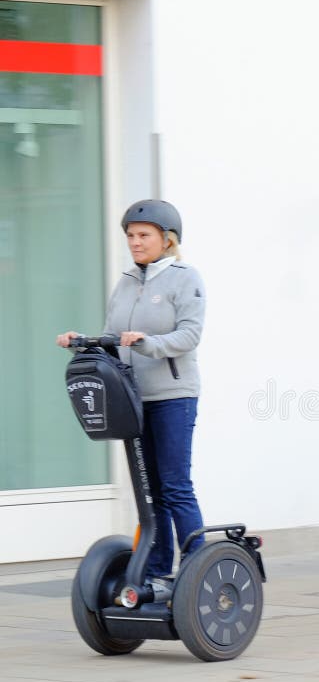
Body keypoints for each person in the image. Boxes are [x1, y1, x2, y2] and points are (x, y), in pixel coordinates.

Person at [57, 199, 206, 578]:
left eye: (143, 235)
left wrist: (147, 343)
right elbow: (114, 336)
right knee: (149, 490)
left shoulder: (185, 278)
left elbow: (189, 335)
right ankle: (156, 571)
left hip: (173, 396)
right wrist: (82, 341)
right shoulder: (126, 282)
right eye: (130, 236)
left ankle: (196, 567)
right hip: (134, 399)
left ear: (167, 239)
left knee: (175, 486)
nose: (135, 242)